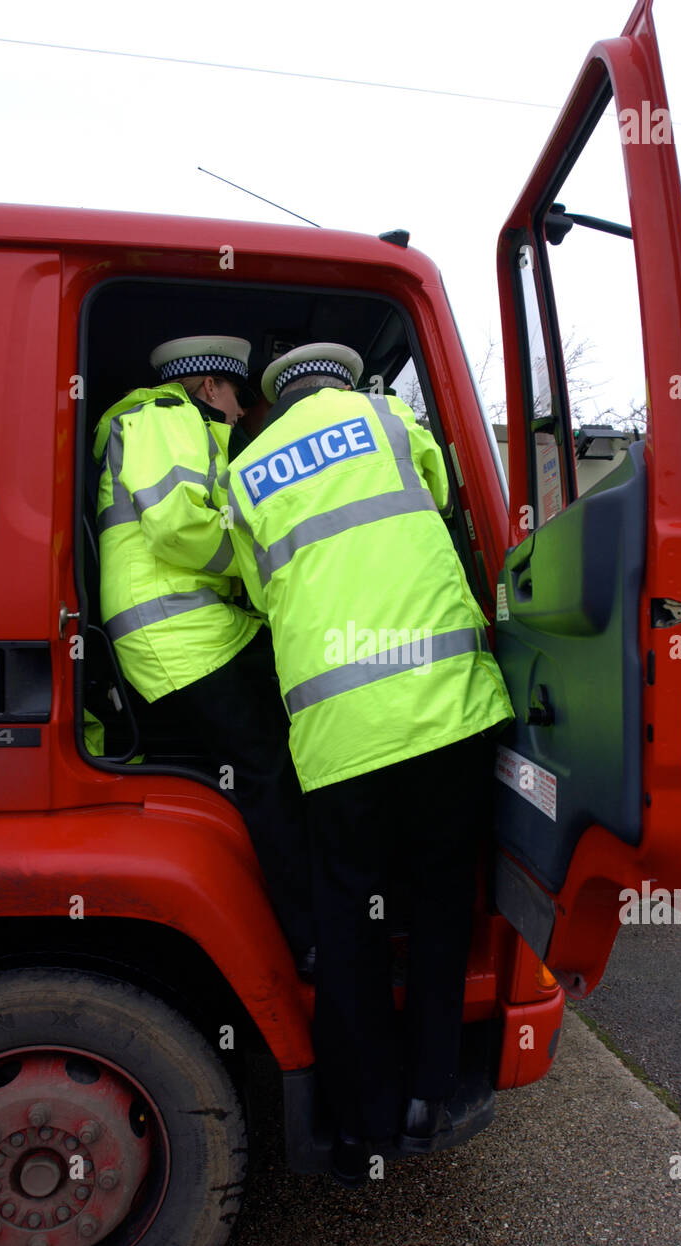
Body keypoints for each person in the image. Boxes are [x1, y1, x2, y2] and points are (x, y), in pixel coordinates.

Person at [215, 342, 514, 1184]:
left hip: (338, 737)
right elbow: (445, 500)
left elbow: (255, 588)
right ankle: (427, 1098)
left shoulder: (245, 471)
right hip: (443, 715)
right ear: (345, 382)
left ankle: (359, 1130)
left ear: (277, 398)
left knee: (351, 933)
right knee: (441, 910)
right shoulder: (392, 419)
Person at [93, 335, 313, 959]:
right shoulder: (167, 417)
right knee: (273, 768)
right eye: (240, 395)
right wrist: (265, 568)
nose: (245, 411)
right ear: (210, 388)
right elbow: (181, 525)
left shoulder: (172, 425)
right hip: (177, 633)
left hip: (190, 625)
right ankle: (311, 939)